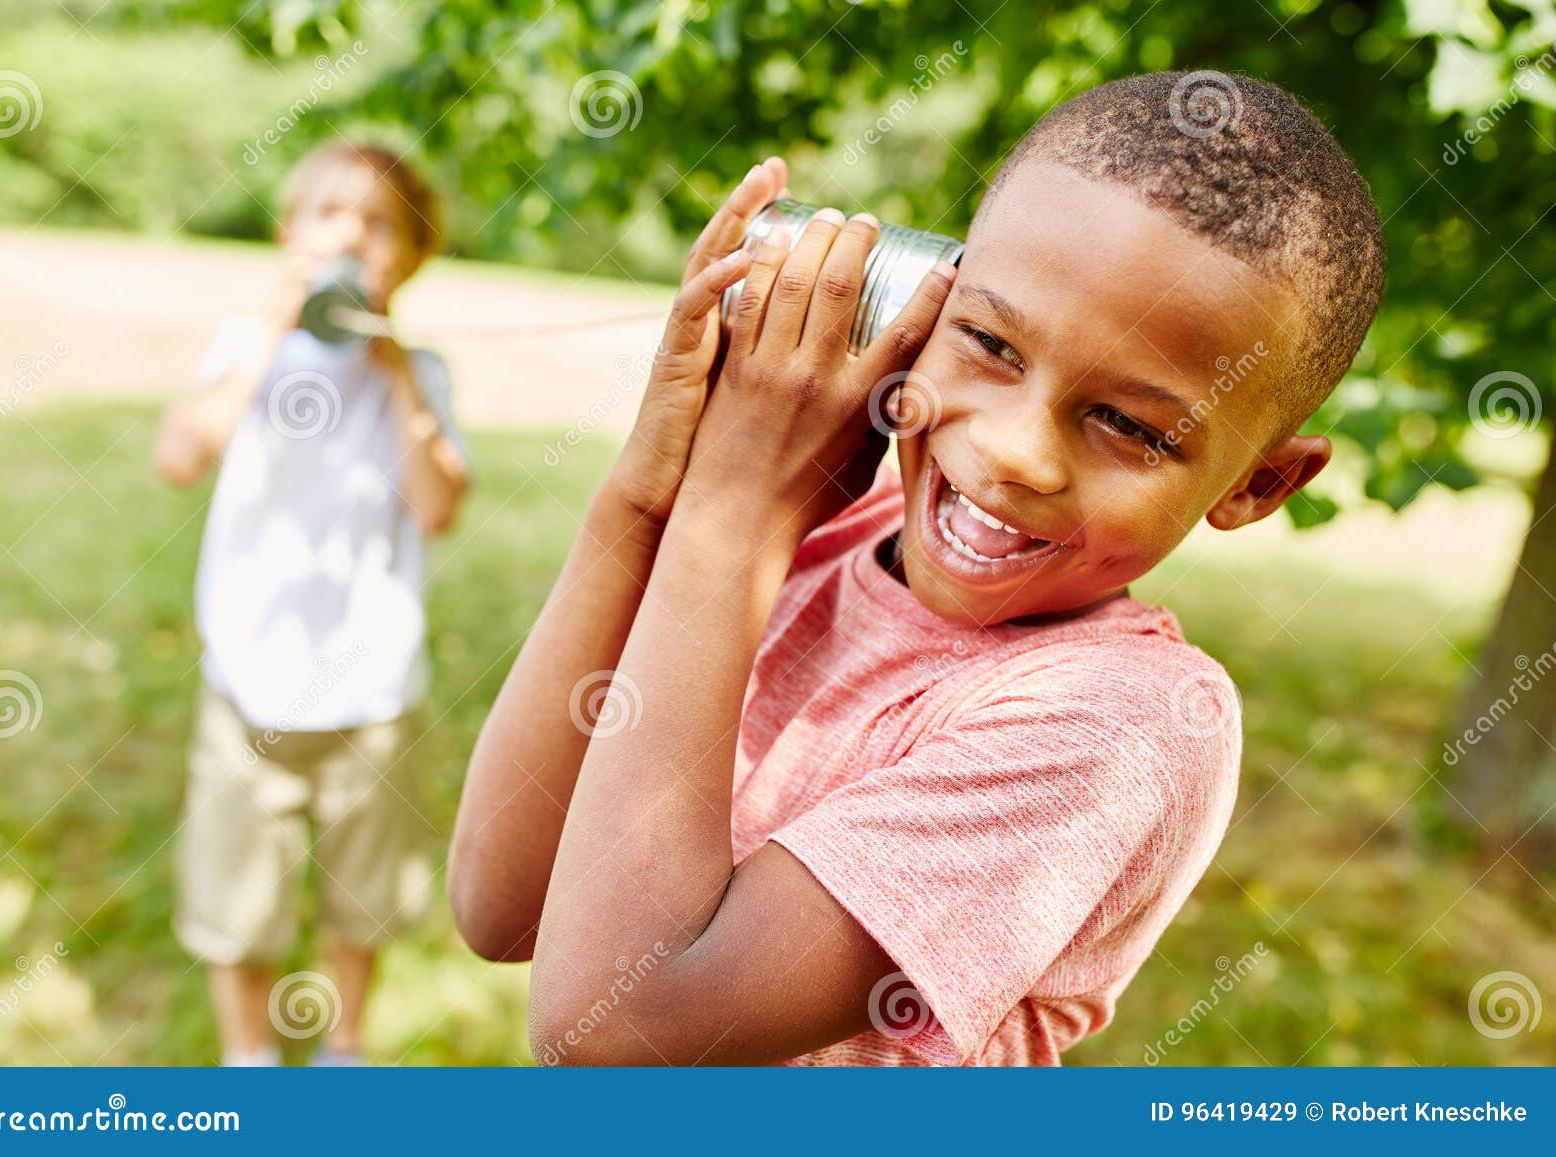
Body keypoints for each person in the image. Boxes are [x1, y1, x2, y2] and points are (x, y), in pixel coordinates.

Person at [448, 71, 1385, 1065]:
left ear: (1260, 483)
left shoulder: (1123, 724)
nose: (1018, 452)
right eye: (987, 340)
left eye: (1127, 423)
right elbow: (501, 904)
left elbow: (615, 1030)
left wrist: (727, 519)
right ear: (923, 300)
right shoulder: (822, 525)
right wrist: (645, 501)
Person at [154, 142, 470, 1066]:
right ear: (288, 233)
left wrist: (396, 367)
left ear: (408, 260)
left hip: (371, 685)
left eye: (377, 224)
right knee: (236, 893)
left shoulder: (420, 374)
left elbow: (439, 504)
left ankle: (344, 1045)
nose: (350, 235)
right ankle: (247, 1057)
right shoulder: (249, 349)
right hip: (247, 681)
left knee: (362, 893)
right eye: (328, 214)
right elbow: (181, 455)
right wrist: (268, 325)